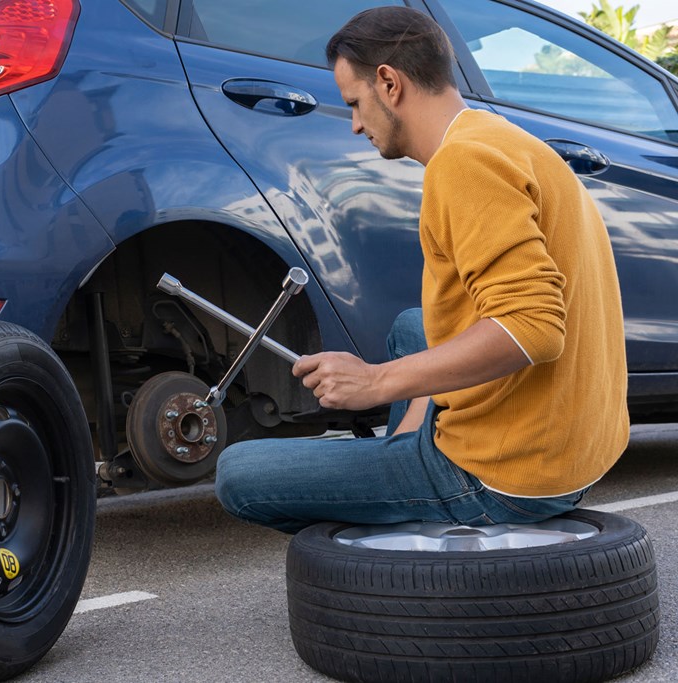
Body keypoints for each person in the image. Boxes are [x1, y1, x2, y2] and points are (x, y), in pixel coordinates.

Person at [214, 6, 629, 533]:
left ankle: (416, 519)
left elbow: (533, 328)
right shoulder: (502, 138)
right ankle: (405, 456)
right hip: (580, 445)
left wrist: (376, 383)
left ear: (389, 83)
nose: (357, 125)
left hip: (510, 474)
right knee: (414, 326)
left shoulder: (464, 164)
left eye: (355, 104)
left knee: (238, 473)